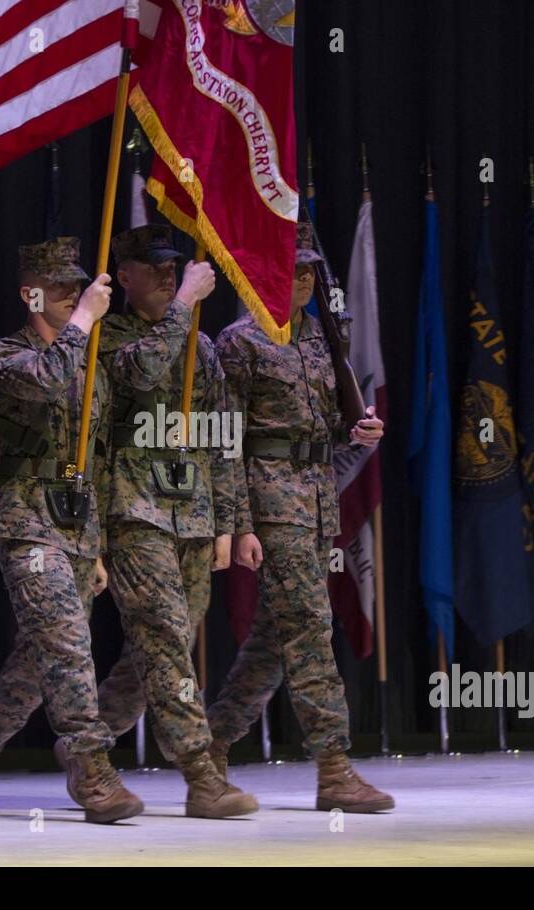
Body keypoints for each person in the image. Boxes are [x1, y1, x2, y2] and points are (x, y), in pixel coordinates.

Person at [208, 221, 394, 813]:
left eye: (311, 268)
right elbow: (225, 440)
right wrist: (238, 522)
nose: (305, 278)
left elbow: (323, 423)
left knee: (272, 641)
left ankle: (208, 744)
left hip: (315, 498)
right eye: (294, 268)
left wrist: (357, 430)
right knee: (311, 631)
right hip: (271, 502)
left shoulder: (320, 338)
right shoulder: (239, 344)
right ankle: (334, 770)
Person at [0, 236, 144, 824]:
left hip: (77, 528)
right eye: (59, 287)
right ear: (28, 293)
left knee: (37, 667)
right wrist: (86, 318)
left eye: (77, 286)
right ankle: (91, 770)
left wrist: (100, 545)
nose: (71, 295)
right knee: (66, 643)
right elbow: (44, 377)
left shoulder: (93, 367)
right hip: (27, 524)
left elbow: (102, 459)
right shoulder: (3, 356)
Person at [83, 224, 258, 818]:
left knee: (165, 649)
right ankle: (200, 773)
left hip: (194, 515)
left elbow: (223, 439)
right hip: (135, 511)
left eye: (173, 268)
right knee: (162, 639)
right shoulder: (106, 336)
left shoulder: (201, 349)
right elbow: (140, 374)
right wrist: (184, 305)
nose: (166, 276)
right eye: (154, 268)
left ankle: (88, 747)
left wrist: (234, 522)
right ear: (124, 276)